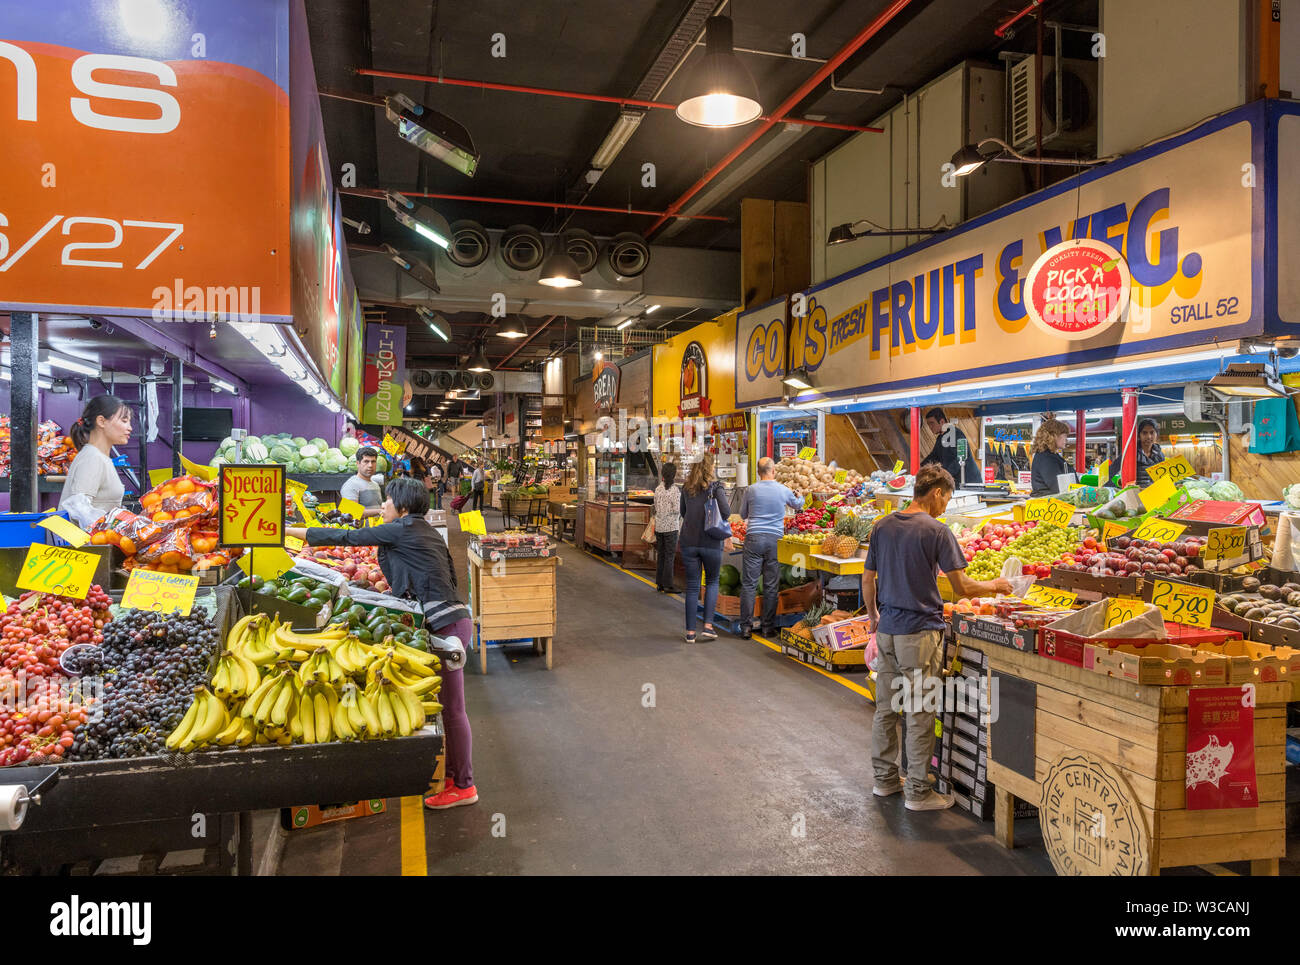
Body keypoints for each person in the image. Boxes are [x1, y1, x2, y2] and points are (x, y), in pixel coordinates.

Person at [286, 477, 478, 809]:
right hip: (453, 619)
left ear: (402, 506)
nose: (384, 507)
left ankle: (464, 785)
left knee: (454, 709)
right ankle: (451, 777)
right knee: (449, 707)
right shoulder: (426, 531)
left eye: (388, 501)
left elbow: (348, 537)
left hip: (447, 627)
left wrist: (290, 532)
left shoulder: (401, 528)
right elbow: (443, 573)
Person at [862, 465, 1013, 811]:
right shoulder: (937, 531)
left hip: (887, 631)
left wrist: (874, 617)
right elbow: (962, 587)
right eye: (947, 497)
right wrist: (997, 586)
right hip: (919, 634)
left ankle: (884, 781)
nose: (946, 505)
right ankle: (917, 791)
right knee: (919, 711)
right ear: (936, 493)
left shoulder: (882, 527)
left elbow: (868, 579)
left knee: (885, 709)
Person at [737, 456, 803, 639]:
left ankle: (746, 628)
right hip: (775, 539)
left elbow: (743, 514)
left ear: (759, 473)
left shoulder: (751, 490)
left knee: (749, 584)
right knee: (771, 585)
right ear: (773, 471)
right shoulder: (783, 490)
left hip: (754, 538)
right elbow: (798, 505)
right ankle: (767, 628)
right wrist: (800, 495)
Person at [678, 453, 731, 644]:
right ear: (710, 467)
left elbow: (683, 512)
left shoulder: (686, 487)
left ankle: (690, 632)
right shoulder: (716, 487)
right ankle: (708, 626)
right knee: (712, 582)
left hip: (689, 541)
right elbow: (726, 512)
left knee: (692, 587)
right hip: (711, 541)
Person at [60, 395, 132, 529]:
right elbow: (78, 507)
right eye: (124, 421)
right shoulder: (92, 458)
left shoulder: (101, 457)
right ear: (101, 421)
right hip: (86, 546)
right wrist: (115, 527)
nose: (129, 428)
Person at [922, 409, 979, 488]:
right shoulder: (941, 438)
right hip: (955, 482)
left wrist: (944, 475)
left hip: (969, 483)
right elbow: (933, 456)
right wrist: (920, 468)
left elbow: (960, 459)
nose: (930, 427)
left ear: (942, 422)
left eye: (932, 423)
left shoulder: (956, 434)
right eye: (928, 424)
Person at [653, 463, 682, 593]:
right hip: (671, 527)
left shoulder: (658, 489)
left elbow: (655, 506)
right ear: (674, 475)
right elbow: (677, 509)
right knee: (670, 556)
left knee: (661, 555)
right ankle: (669, 585)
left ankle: (659, 583)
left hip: (659, 527)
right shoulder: (675, 490)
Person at [1029, 419, 1073, 496]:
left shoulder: (1049, 455)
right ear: (1054, 436)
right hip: (1050, 504)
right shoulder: (1046, 458)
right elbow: (1058, 487)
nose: (1066, 439)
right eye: (1065, 435)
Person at [340, 447, 384, 518]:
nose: (370, 465)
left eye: (373, 461)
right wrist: (381, 511)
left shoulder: (375, 485)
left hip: (376, 528)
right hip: (361, 529)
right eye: (366, 461)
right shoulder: (350, 485)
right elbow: (351, 513)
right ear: (358, 463)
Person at [1134, 419, 1164, 488]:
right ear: (1139, 435)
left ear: (1156, 434)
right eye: (1144, 433)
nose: (1149, 437)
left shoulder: (1160, 455)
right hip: (1136, 495)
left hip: (1154, 493)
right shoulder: (1132, 454)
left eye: (1152, 432)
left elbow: (1163, 478)